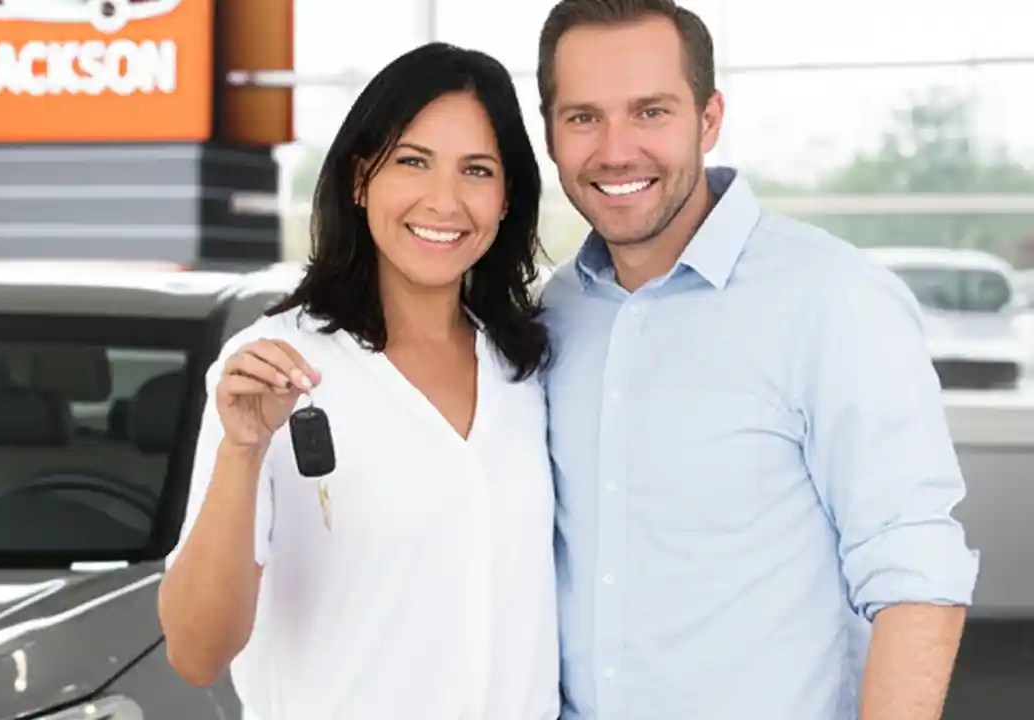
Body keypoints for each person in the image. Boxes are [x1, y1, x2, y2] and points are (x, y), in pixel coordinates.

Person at [536, 1, 981, 719]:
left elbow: (913, 564)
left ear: (709, 119)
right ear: (551, 131)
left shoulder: (833, 299)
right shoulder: (554, 315)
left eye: (651, 112)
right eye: (584, 116)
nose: (616, 150)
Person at [157, 42, 560, 719]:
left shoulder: (528, 367)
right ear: (358, 179)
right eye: (412, 161)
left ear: (506, 196)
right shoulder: (274, 364)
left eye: (477, 170)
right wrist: (244, 451)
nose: (445, 200)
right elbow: (196, 653)